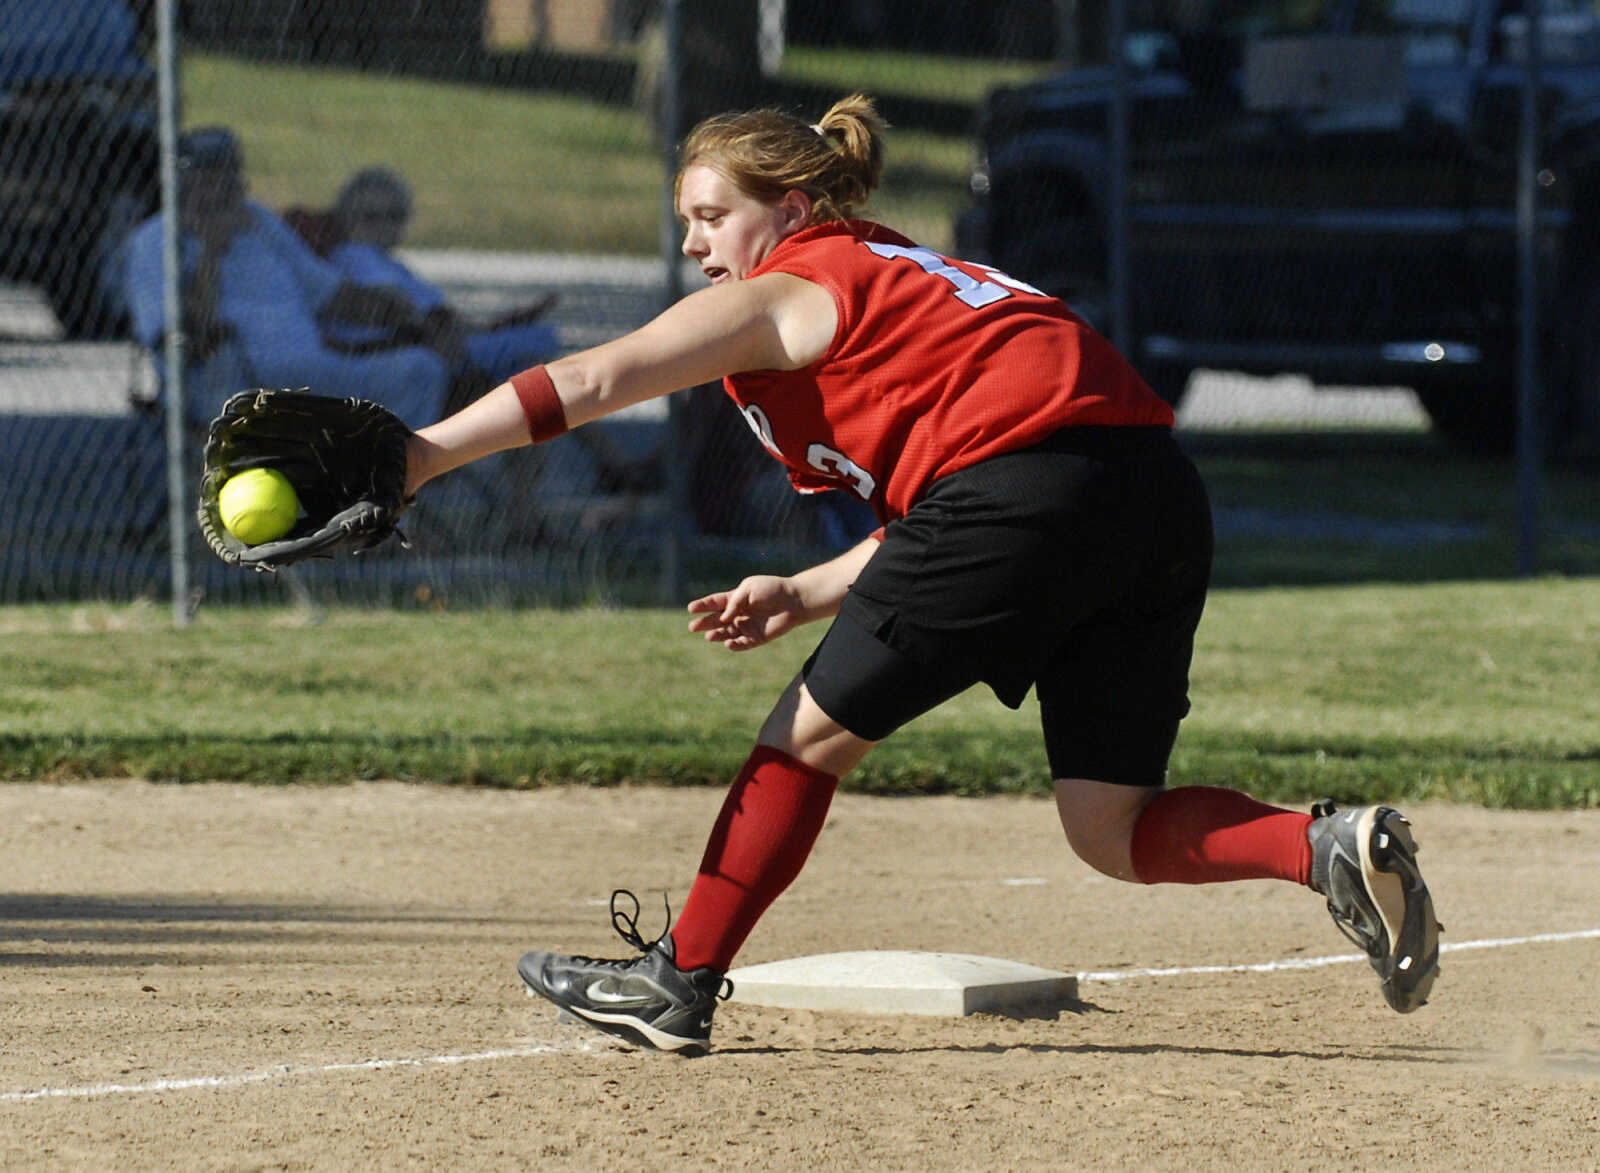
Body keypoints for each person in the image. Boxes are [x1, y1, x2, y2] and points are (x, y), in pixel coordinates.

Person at [397, 94, 1441, 1055]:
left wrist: (422, 456)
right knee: (1110, 828)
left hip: (1025, 498)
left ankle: (679, 982)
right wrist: (807, 592)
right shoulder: (897, 269)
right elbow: (972, 485)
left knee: (804, 738)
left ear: (790, 207)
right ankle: (1321, 848)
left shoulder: (790, 285)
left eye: (713, 215)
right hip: (1150, 492)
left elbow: (589, 378)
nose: (693, 244)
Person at [123, 126, 450, 428]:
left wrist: (409, 313)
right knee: (225, 369)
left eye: (227, 178)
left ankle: (374, 484)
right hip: (235, 387)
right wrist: (211, 250)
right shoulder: (155, 241)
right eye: (206, 181)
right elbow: (182, 338)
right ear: (180, 187)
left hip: (315, 372)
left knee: (421, 369)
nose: (219, 192)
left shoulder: (259, 223)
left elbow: (333, 296)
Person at [322, 166, 562, 392]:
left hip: (435, 345)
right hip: (404, 351)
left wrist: (496, 325)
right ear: (349, 216)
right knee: (538, 347)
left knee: (533, 362)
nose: (383, 226)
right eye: (371, 217)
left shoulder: (390, 264)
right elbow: (393, 306)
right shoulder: (354, 255)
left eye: (393, 216)